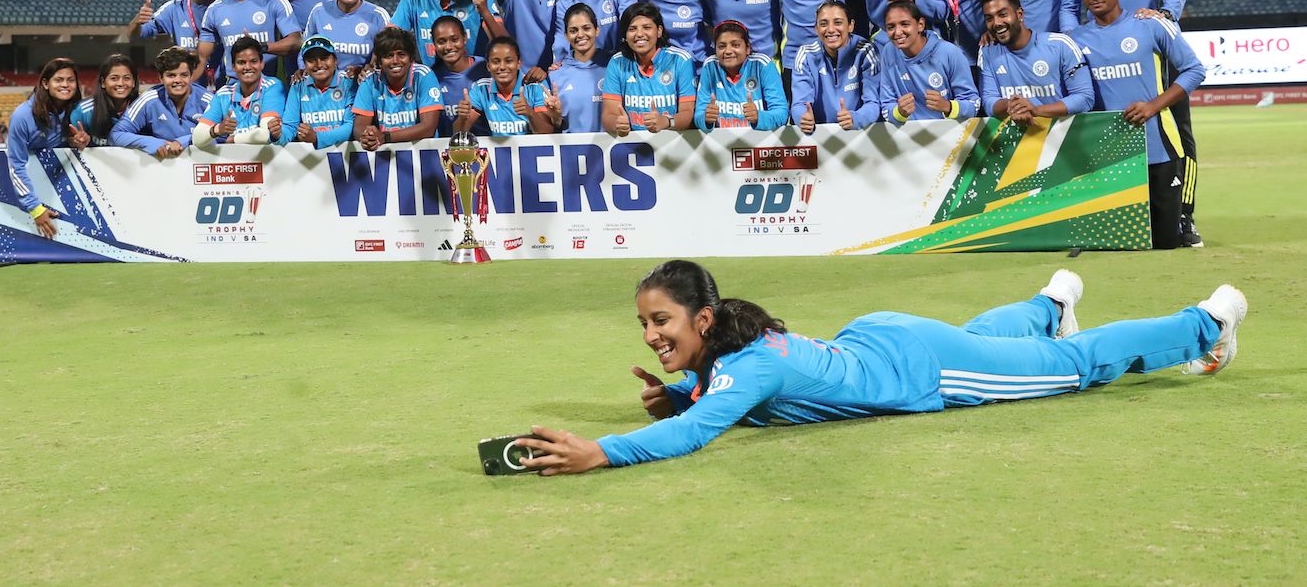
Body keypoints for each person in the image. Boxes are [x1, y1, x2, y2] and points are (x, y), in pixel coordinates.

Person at [513, 260, 1248, 474]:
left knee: (1071, 366)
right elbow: (710, 396)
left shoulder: (743, 367)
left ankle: (1208, 321)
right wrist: (679, 392)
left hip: (927, 372)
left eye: (661, 320)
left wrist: (600, 451)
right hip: (888, 338)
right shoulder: (734, 347)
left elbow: (698, 434)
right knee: (991, 340)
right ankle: (1050, 300)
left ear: (702, 320)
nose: (650, 334)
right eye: (644, 322)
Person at [1059, 0, 1203, 248]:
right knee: (1106, 130)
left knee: (1176, 135)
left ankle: (1184, 216)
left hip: (1154, 44)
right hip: (1099, 49)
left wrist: (1166, 17)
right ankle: (1116, 211)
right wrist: (1075, 41)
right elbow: (1069, 4)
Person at [1067, 0, 1205, 250]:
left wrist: (1153, 106)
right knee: (1120, 244)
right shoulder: (1074, 40)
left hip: (1158, 149)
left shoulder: (1151, 25)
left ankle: (1183, 222)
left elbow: (1195, 70)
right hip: (1109, 159)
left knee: (1166, 242)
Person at [977, 0, 1093, 123]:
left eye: (1003, 15)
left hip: (1061, 139)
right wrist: (1011, 105)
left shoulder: (1061, 45)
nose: (996, 23)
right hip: (1016, 141)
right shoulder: (987, 52)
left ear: (1020, 14)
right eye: (989, 18)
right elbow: (989, 101)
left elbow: (1085, 98)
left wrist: (1036, 110)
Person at [5, 57, 83, 239]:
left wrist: (79, 143)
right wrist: (35, 208)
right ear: (45, 83)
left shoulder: (78, 111)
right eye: (59, 80)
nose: (65, 85)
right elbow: (16, 165)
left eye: (70, 80)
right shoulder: (23, 116)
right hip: (34, 195)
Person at [128, 0, 222, 85]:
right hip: (191, 92)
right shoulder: (173, 9)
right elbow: (133, 35)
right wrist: (137, 21)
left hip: (225, 91)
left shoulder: (226, 5)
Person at [600, 2, 697, 135]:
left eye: (646, 27)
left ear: (659, 31)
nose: (639, 34)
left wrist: (666, 122)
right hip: (633, 146)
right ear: (625, 35)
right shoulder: (617, 62)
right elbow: (608, 114)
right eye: (632, 29)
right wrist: (616, 123)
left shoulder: (680, 60)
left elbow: (688, 113)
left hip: (674, 144)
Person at [878, 0, 979, 126]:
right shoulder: (888, 52)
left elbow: (973, 105)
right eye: (891, 27)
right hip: (908, 138)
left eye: (905, 24)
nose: (898, 32)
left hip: (951, 136)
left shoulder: (949, 52)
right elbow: (886, 105)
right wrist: (899, 113)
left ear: (920, 24)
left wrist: (948, 107)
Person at [791, 0, 880, 132]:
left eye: (838, 22)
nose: (831, 30)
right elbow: (799, 103)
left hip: (861, 134)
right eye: (823, 24)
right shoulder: (805, 54)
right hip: (821, 136)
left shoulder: (866, 51)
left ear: (851, 25)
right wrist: (802, 117)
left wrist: (856, 118)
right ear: (816, 29)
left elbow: (873, 104)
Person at [110, 46, 214, 158]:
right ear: (161, 78)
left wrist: (184, 141)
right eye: (171, 75)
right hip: (160, 168)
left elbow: (222, 134)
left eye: (184, 75)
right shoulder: (148, 101)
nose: (178, 80)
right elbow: (116, 135)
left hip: (200, 167)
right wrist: (151, 142)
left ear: (191, 76)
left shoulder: (208, 100)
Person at [352, 26, 443, 149]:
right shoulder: (369, 80)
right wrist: (368, 137)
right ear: (379, 62)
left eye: (401, 54)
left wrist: (386, 137)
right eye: (388, 56)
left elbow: (428, 128)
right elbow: (359, 127)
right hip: (386, 156)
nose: (395, 61)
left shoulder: (423, 75)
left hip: (423, 154)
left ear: (411, 58)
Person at [303, 0, 391, 77]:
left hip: (362, 85)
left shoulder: (378, 16)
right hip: (325, 85)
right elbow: (304, 49)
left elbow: (387, 55)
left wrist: (369, 69)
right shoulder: (319, 11)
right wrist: (302, 70)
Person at [192, 36, 285, 146]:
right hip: (235, 161)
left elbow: (266, 135)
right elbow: (197, 139)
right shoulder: (223, 94)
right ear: (233, 67)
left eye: (253, 61)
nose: (248, 67)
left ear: (262, 64)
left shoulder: (272, 87)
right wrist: (218, 129)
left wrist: (234, 139)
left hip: (267, 161)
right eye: (241, 62)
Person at [693, 21, 787, 131]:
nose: (728, 51)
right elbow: (699, 114)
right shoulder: (710, 66)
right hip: (721, 141)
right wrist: (705, 119)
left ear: (747, 48)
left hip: (759, 140)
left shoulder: (762, 64)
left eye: (735, 45)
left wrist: (759, 117)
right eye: (722, 46)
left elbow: (781, 113)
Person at [454, 36, 553, 136]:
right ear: (488, 66)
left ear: (519, 63)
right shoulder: (481, 89)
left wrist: (530, 113)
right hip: (497, 151)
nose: (502, 67)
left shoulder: (534, 87)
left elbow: (548, 133)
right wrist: (462, 118)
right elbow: (458, 133)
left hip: (530, 151)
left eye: (509, 61)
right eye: (496, 62)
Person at [280, 34, 356, 148]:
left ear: (335, 61)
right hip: (311, 160)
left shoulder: (349, 83)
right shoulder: (298, 85)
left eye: (324, 58)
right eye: (311, 60)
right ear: (304, 64)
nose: (319, 64)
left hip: (345, 157)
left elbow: (351, 126)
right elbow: (290, 126)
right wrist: (278, 136)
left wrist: (317, 138)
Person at [548, 2, 610, 134]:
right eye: (573, 30)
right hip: (572, 152)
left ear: (597, 30)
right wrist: (556, 117)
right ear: (566, 35)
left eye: (586, 28)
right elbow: (557, 125)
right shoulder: (556, 74)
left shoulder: (613, 66)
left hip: (610, 151)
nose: (580, 35)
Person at [429, 16, 490, 137]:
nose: (448, 47)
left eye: (454, 39)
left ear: (465, 38)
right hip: (449, 150)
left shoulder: (486, 68)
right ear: (434, 44)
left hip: (490, 149)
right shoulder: (430, 78)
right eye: (441, 42)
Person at [69, 54, 139, 147]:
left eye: (127, 78)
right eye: (114, 78)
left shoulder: (145, 108)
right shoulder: (82, 111)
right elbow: (71, 142)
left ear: (134, 82)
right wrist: (78, 142)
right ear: (103, 82)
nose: (121, 83)